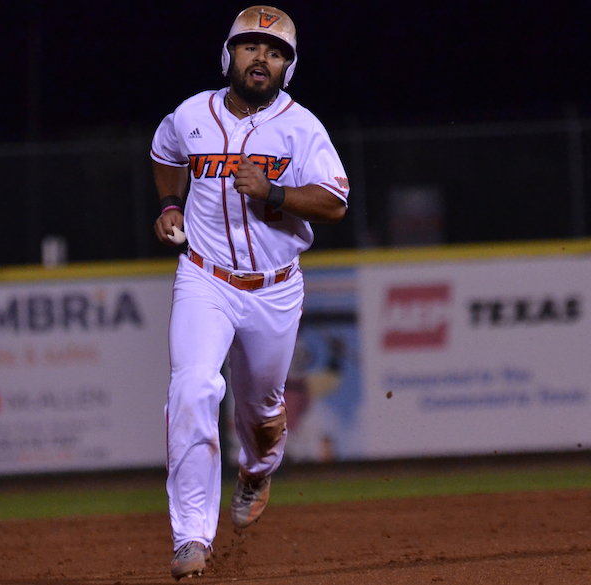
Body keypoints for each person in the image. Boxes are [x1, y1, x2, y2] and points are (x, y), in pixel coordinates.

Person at [149, 5, 350, 580]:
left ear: (289, 66)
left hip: (275, 290)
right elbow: (166, 152)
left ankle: (258, 470)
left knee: (261, 413)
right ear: (228, 55)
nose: (261, 57)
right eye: (250, 45)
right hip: (204, 277)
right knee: (192, 387)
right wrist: (168, 204)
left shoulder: (302, 128)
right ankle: (191, 534)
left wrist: (278, 192)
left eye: (275, 50)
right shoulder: (191, 115)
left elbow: (336, 203)